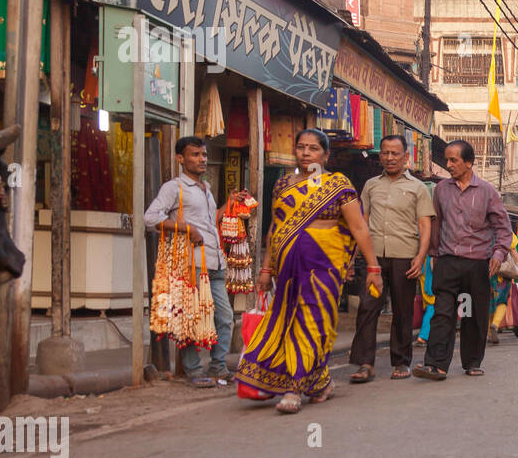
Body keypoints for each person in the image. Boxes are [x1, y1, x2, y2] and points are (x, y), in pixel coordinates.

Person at [236, 129, 383, 413]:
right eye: (301, 147)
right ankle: (319, 382)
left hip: (323, 267)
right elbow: (274, 229)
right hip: (287, 268)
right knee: (290, 325)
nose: (306, 153)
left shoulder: (338, 184)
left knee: (313, 324)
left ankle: (294, 388)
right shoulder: (282, 185)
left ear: (325, 155)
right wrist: (266, 269)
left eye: (313, 148)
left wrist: (373, 266)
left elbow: (359, 227)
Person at [144, 136, 240, 387]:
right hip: (191, 263)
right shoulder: (174, 187)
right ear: (180, 159)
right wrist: (185, 229)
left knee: (224, 316)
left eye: (204, 155)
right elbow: (150, 218)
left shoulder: (205, 188)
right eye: (195, 155)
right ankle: (193, 370)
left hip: (214, 261)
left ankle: (218, 366)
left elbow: (209, 223)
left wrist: (229, 205)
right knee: (192, 317)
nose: (202, 159)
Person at [413, 140, 512, 380]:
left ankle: (472, 361)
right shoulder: (441, 190)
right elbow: (436, 224)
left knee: (472, 316)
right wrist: (433, 253)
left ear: (469, 162)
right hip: (447, 262)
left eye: (453, 160)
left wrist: (498, 254)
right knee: (443, 313)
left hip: (478, 264)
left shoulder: (488, 192)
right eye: (447, 160)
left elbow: (503, 228)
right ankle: (435, 364)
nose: (448, 165)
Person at [348, 134, 435, 383]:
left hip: (404, 257)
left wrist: (420, 257)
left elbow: (425, 225)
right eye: (385, 153)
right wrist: (354, 257)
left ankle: (401, 361)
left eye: (395, 153)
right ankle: (365, 363)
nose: (389, 157)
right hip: (373, 259)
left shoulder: (418, 187)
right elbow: (361, 223)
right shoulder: (371, 185)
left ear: (406, 157)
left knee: (402, 311)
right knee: (367, 308)